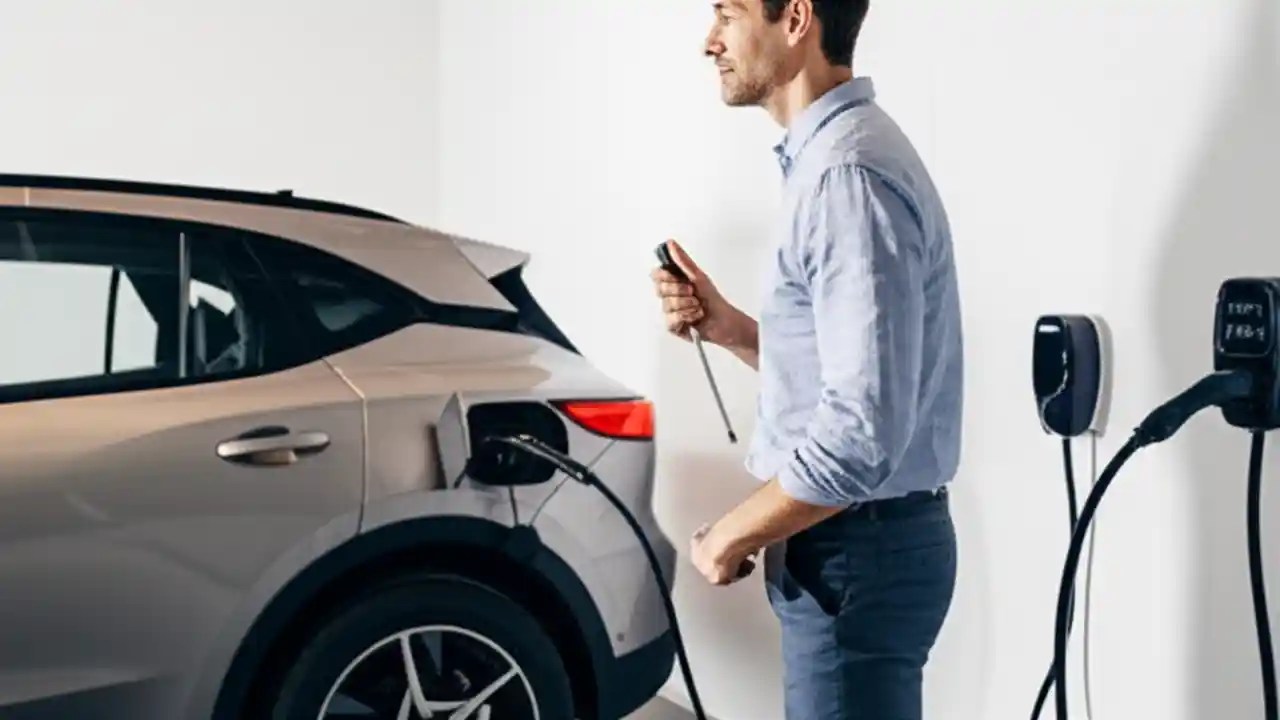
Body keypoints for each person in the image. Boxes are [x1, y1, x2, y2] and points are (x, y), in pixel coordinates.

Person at [650, 1, 964, 718]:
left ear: (795, 19)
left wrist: (728, 535)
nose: (710, 42)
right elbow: (858, 379)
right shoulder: (834, 160)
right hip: (856, 548)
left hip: (854, 552)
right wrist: (731, 329)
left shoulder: (845, 177)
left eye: (727, 13)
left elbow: (860, 434)